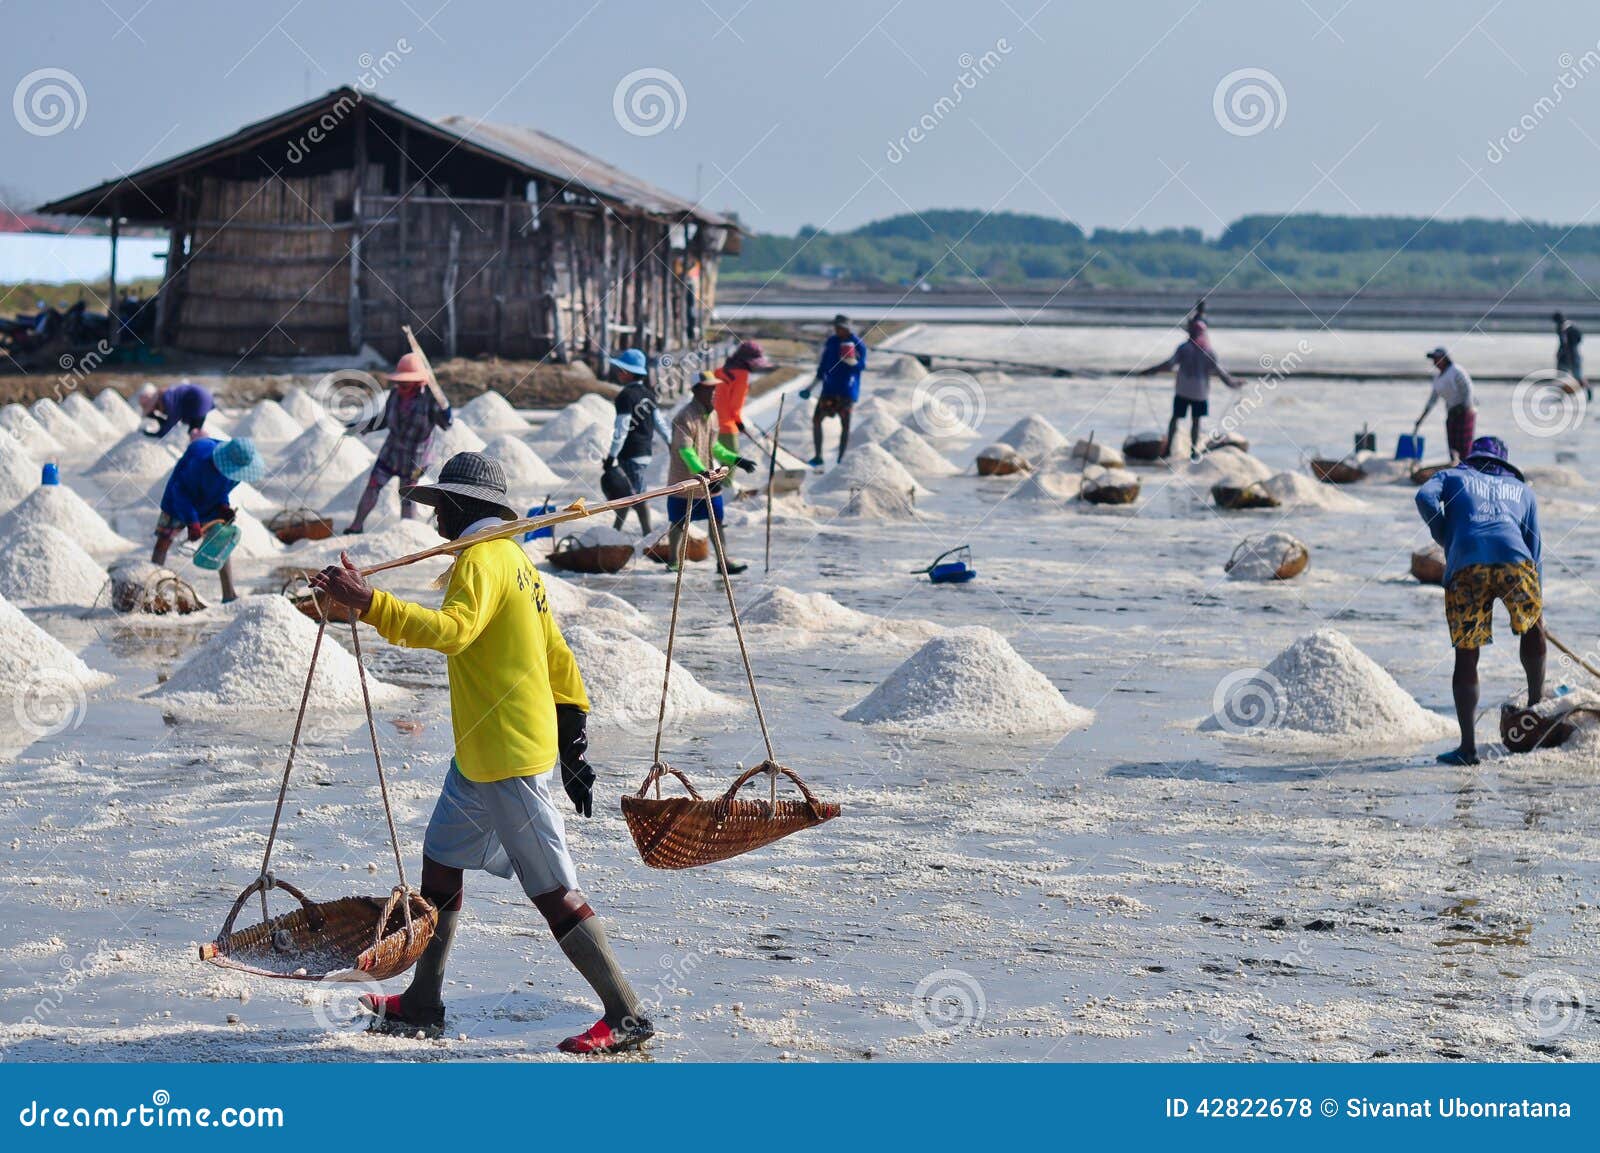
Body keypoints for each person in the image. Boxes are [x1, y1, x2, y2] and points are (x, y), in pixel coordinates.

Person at [309, 452, 655, 1055]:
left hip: (508, 755)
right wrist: (571, 738)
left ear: (466, 506)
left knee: (551, 890)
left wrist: (369, 605)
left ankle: (625, 1014)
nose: (435, 512)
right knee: (440, 862)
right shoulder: (517, 562)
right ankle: (423, 1002)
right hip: (480, 754)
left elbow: (452, 632)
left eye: (441, 502)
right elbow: (556, 656)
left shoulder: (482, 560)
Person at [1415, 436, 1545, 767]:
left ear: (1473, 459)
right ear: (1504, 465)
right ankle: (1536, 707)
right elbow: (1535, 550)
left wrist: (1447, 536)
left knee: (1467, 652)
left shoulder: (1453, 476)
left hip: (1466, 566)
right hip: (1516, 562)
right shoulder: (1523, 491)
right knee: (1533, 630)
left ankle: (1468, 749)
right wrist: (1535, 607)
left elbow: (1424, 497)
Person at [342, 352, 453, 534]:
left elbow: (447, 424)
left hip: (416, 457)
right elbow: (384, 419)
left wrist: (445, 407)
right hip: (391, 452)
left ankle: (406, 532)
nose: (400, 384)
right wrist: (361, 426)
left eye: (405, 381)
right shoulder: (395, 395)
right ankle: (356, 526)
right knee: (373, 485)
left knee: (408, 494)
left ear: (418, 381)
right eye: (399, 381)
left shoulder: (430, 400)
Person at [152, 436, 265, 604]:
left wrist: (224, 507)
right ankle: (153, 588)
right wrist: (192, 522)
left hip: (210, 503)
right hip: (178, 502)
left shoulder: (238, 469)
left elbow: (222, 489)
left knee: (221, 537)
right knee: (164, 541)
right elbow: (180, 492)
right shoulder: (199, 460)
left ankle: (229, 594)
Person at [665, 372, 757, 573]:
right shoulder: (684, 418)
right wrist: (702, 474)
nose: (713, 393)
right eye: (708, 389)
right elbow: (685, 451)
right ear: (697, 390)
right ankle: (673, 561)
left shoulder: (712, 414)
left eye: (714, 389)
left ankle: (723, 562)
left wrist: (736, 459)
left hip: (707, 478)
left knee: (716, 520)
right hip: (685, 481)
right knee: (679, 522)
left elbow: (714, 446)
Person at [1136, 320, 1240, 461]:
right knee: (1196, 422)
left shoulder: (1184, 348)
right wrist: (1234, 383)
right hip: (1200, 393)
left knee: (1175, 418)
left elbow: (1169, 365)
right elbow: (1221, 374)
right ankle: (1193, 451)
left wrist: (1150, 371)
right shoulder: (1209, 352)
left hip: (1183, 391)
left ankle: (1167, 450)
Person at [599, 348, 671, 534]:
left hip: (630, 454)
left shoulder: (625, 397)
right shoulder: (649, 395)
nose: (618, 373)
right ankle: (616, 530)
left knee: (637, 497)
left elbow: (621, 430)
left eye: (621, 370)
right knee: (627, 494)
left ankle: (647, 534)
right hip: (645, 453)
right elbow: (660, 424)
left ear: (628, 373)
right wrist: (671, 442)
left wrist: (611, 456)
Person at [800, 314, 866, 466]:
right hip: (828, 389)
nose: (837, 330)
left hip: (846, 392)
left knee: (845, 425)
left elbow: (861, 366)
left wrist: (852, 361)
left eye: (840, 327)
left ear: (848, 328)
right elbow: (823, 365)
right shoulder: (832, 341)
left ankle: (841, 459)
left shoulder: (857, 344)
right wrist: (811, 387)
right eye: (836, 327)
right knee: (817, 420)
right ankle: (818, 456)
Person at [712, 340, 776, 490]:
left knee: (714, 459)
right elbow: (734, 407)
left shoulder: (720, 371)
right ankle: (725, 490)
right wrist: (739, 423)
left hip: (711, 421)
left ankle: (716, 488)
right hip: (727, 425)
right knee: (730, 461)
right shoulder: (741, 376)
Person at [1414, 347, 1476, 463]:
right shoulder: (1437, 378)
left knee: (1464, 445)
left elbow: (1467, 389)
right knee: (1452, 445)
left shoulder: (1456, 371)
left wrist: (1465, 408)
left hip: (1465, 412)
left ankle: (1466, 467)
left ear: (1445, 359)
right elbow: (1432, 400)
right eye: (1433, 360)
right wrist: (1421, 418)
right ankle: (1454, 465)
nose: (1435, 362)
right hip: (1452, 412)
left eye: (1437, 359)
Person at [137, 380, 215, 440]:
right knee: (194, 430)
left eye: (154, 408)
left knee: (194, 432)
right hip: (203, 397)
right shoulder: (168, 394)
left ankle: (200, 450)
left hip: (199, 400)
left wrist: (159, 434)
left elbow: (172, 420)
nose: (156, 411)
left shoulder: (167, 400)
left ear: (154, 404)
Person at [1554, 311, 1587, 400]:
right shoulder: (1564, 328)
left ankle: (1586, 391)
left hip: (1571, 357)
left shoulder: (1569, 329)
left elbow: (1570, 344)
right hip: (1566, 357)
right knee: (1563, 377)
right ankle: (1561, 395)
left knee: (1576, 377)